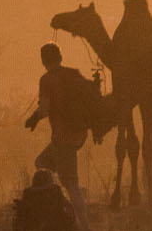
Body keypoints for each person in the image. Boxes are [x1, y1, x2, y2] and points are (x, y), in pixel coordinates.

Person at [23, 43, 99, 204]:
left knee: (71, 184)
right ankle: (59, 197)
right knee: (42, 163)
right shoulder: (73, 74)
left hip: (63, 137)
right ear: (60, 57)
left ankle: (82, 223)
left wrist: (33, 119)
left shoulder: (47, 80)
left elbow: (44, 110)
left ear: (43, 61)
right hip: (80, 133)